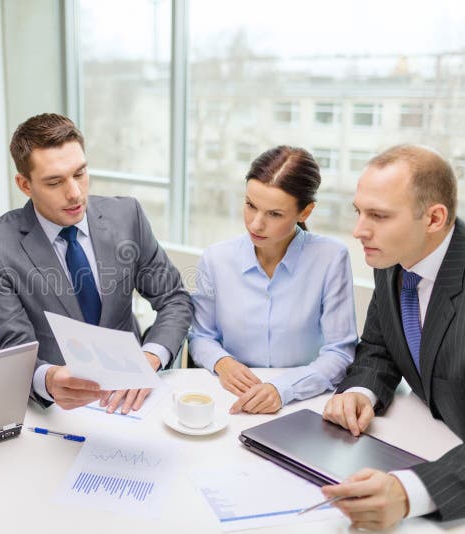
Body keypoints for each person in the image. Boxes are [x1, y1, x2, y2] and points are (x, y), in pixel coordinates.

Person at [0, 113, 192, 414]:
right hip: (54, 410)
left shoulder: (127, 217)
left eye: (79, 174)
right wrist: (47, 380)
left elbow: (174, 300)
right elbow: (14, 345)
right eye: (54, 182)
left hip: (133, 397)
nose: (74, 193)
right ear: (24, 184)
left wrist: (151, 357)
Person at [321, 145, 465, 529]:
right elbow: (379, 347)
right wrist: (361, 391)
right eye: (359, 212)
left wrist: (411, 492)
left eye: (379, 216)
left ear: (434, 218)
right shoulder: (393, 258)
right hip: (424, 438)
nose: (358, 231)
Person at [188, 146, 357, 414]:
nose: (256, 224)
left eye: (274, 214)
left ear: (305, 212)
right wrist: (222, 362)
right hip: (229, 397)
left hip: (304, 401)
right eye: (250, 205)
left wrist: (284, 388)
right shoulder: (216, 259)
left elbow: (340, 353)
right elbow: (200, 335)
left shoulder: (331, 258)